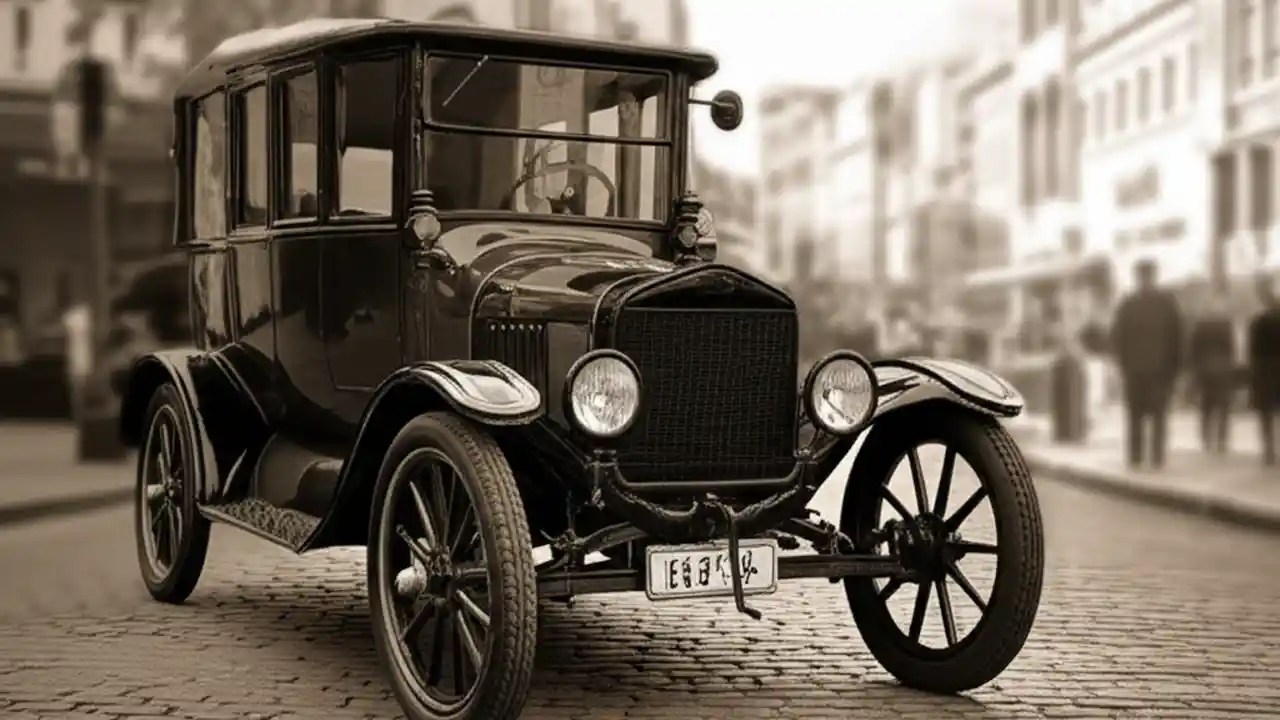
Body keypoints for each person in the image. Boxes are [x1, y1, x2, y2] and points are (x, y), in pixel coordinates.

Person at [1109, 259, 1183, 469]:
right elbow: (1177, 338)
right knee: (1158, 415)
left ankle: (1136, 457)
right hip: (1159, 370)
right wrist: (1174, 368)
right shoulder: (1166, 303)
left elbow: (1117, 338)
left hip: (1136, 370)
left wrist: (1123, 365)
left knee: (1136, 415)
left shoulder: (1128, 304)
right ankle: (1156, 458)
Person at [1188, 293, 1237, 454]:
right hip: (1222, 369)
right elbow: (1231, 349)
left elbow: (1193, 350)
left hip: (1204, 370)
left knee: (1206, 406)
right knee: (1223, 406)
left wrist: (1194, 370)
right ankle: (1222, 440)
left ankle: (1206, 439)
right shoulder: (1226, 325)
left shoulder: (1199, 326)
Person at [1247, 275, 1280, 466]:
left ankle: (1269, 452)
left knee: (1266, 414)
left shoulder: (1258, 321)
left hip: (1266, 372)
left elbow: (1253, 353)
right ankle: (1269, 451)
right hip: (1270, 370)